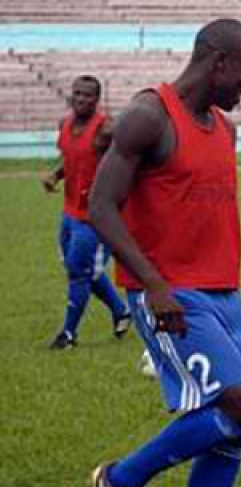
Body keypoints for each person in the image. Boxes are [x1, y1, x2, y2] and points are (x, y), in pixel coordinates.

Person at [87, 19, 241, 487]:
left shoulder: (224, 128)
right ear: (217, 62)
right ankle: (121, 478)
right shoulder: (149, 116)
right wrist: (153, 284)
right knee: (239, 401)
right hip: (167, 292)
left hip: (222, 293)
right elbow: (102, 206)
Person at [42, 75, 131, 349]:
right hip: (69, 212)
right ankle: (120, 310)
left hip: (94, 217)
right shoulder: (65, 124)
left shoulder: (106, 130)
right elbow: (70, 158)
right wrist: (55, 176)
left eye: (88, 95)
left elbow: (128, 160)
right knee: (78, 268)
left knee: (79, 273)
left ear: (97, 99)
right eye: (77, 94)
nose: (81, 99)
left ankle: (68, 334)